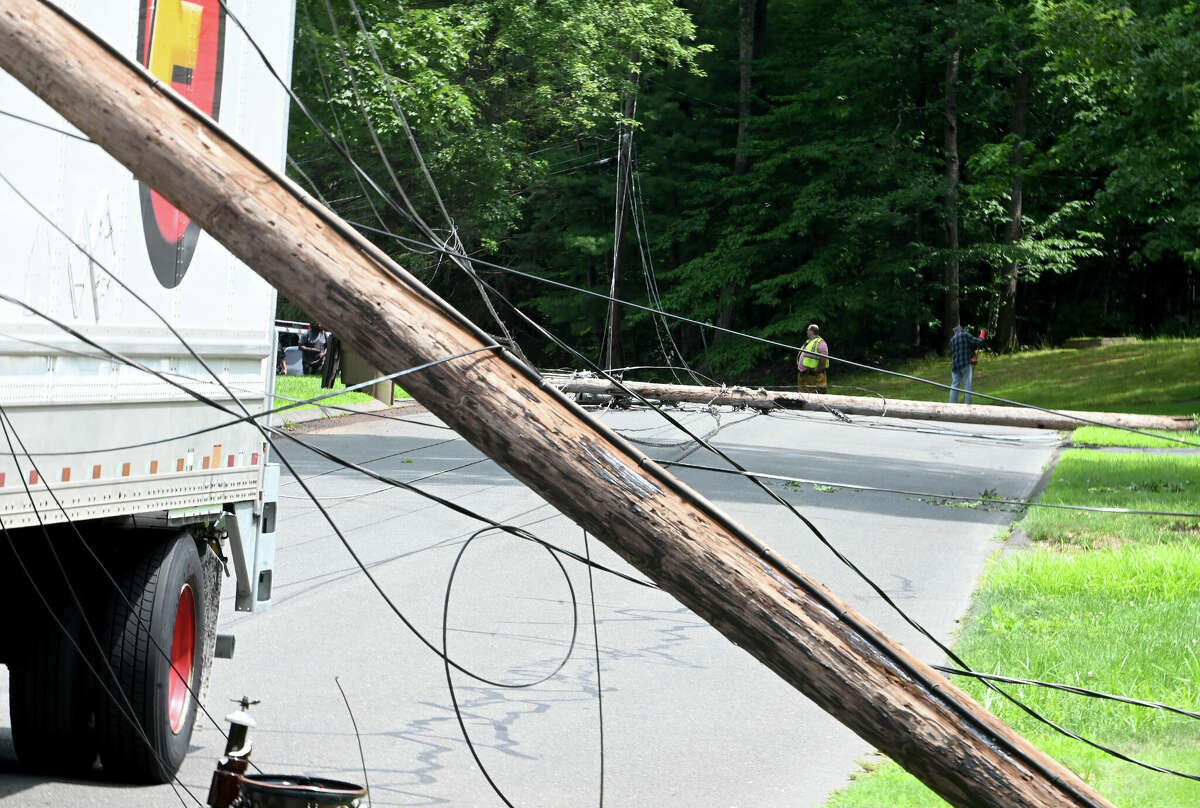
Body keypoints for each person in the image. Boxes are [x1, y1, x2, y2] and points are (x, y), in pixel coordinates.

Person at [949, 324, 986, 404]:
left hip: (955, 366)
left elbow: (958, 354)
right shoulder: (965, 335)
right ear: (962, 330)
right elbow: (979, 342)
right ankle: (968, 405)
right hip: (965, 365)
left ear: (955, 332)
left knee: (954, 386)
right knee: (967, 385)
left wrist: (971, 361)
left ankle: (952, 405)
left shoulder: (952, 340)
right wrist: (982, 334)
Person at [796, 324, 829, 394]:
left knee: (814, 395)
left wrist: (817, 371)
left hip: (813, 375)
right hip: (803, 375)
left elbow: (823, 358)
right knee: (803, 396)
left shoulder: (821, 343)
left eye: (807, 330)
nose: (807, 332)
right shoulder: (808, 342)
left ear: (811, 331)